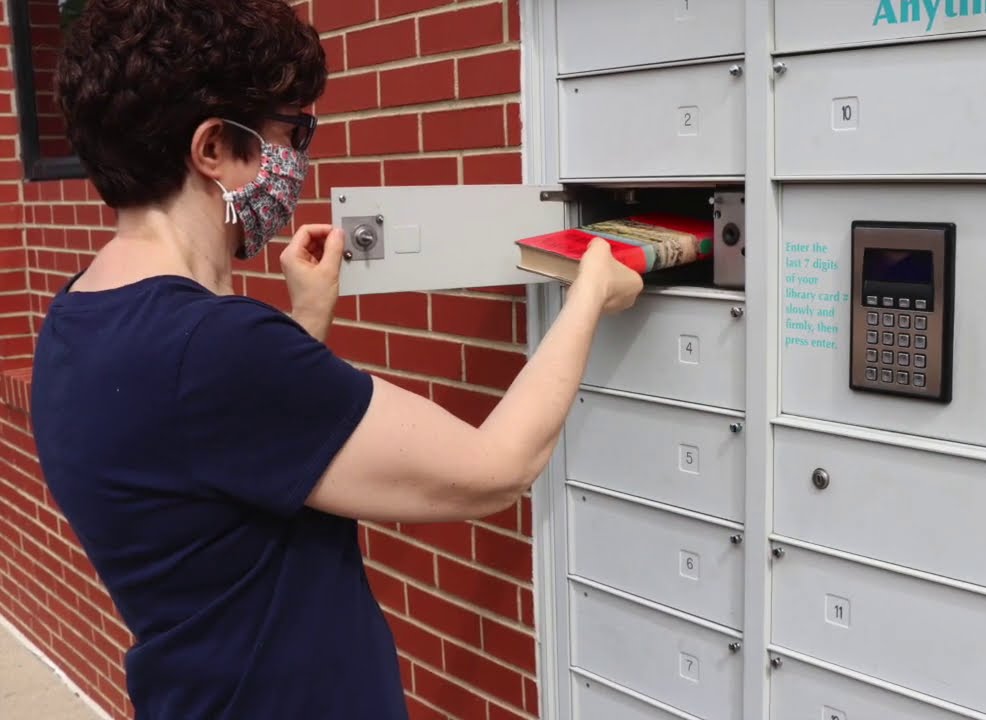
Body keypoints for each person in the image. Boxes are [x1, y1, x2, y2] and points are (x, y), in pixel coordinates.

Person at [29, 1, 643, 718]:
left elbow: (224, 461)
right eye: (293, 130)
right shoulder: (216, 349)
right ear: (212, 150)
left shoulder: (77, 317)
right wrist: (590, 291)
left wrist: (306, 321)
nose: (300, 157)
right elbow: (493, 472)